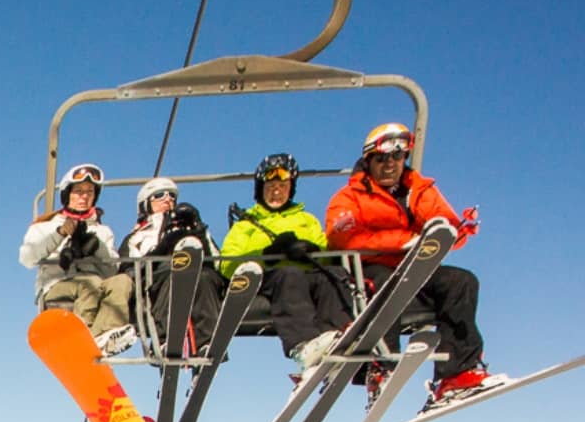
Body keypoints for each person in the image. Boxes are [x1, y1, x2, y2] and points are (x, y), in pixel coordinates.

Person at [326, 123, 506, 407]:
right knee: (386, 282)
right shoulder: (349, 198)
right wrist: (402, 240)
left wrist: (444, 231)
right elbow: (343, 238)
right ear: (369, 161)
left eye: (397, 158)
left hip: (414, 269)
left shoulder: (419, 190)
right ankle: (381, 364)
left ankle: (456, 374)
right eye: (382, 159)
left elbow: (445, 224)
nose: (390, 165)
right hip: (369, 269)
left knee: (461, 281)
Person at [221, 153, 353, 377]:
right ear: (260, 189)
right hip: (270, 277)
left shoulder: (307, 220)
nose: (276, 191)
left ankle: (337, 339)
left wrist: (311, 251)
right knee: (289, 274)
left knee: (332, 275)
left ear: (290, 189)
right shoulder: (245, 225)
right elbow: (227, 265)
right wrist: (266, 255)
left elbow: (326, 253)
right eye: (270, 185)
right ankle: (303, 346)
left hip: (308, 273)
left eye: (282, 185)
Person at [19, 163, 137, 356]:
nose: (84, 197)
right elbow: (27, 257)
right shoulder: (46, 226)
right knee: (89, 282)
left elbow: (111, 271)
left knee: (122, 281)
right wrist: (59, 234)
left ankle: (101, 336)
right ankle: (82, 337)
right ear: (68, 194)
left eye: (89, 192)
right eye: (79, 191)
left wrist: (96, 247)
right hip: (57, 285)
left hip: (95, 285)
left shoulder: (102, 231)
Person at [119, 177, 226, 355]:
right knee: (172, 274)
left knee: (206, 277)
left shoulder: (192, 226)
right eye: (159, 195)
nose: (168, 199)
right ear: (146, 203)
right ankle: (164, 339)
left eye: (172, 196)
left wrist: (198, 230)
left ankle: (206, 344)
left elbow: (218, 263)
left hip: (195, 275)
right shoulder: (138, 235)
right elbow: (127, 270)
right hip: (158, 277)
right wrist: (161, 249)